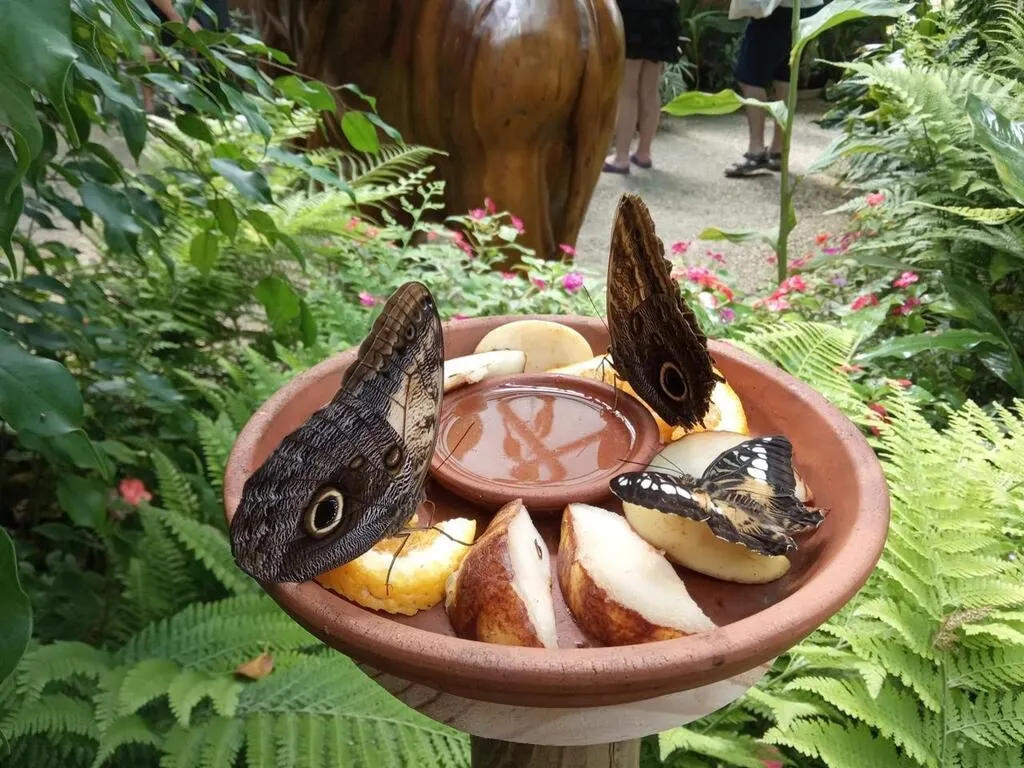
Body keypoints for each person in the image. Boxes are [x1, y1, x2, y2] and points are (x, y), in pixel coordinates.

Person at [725, 0, 823, 178]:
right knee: (785, 73)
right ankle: (778, 151)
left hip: (777, 9)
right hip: (808, 7)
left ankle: (756, 152)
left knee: (750, 77)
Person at [603, 0, 682, 175]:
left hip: (634, 11)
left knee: (627, 90)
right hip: (663, 11)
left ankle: (621, 157)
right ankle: (643, 153)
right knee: (650, 87)